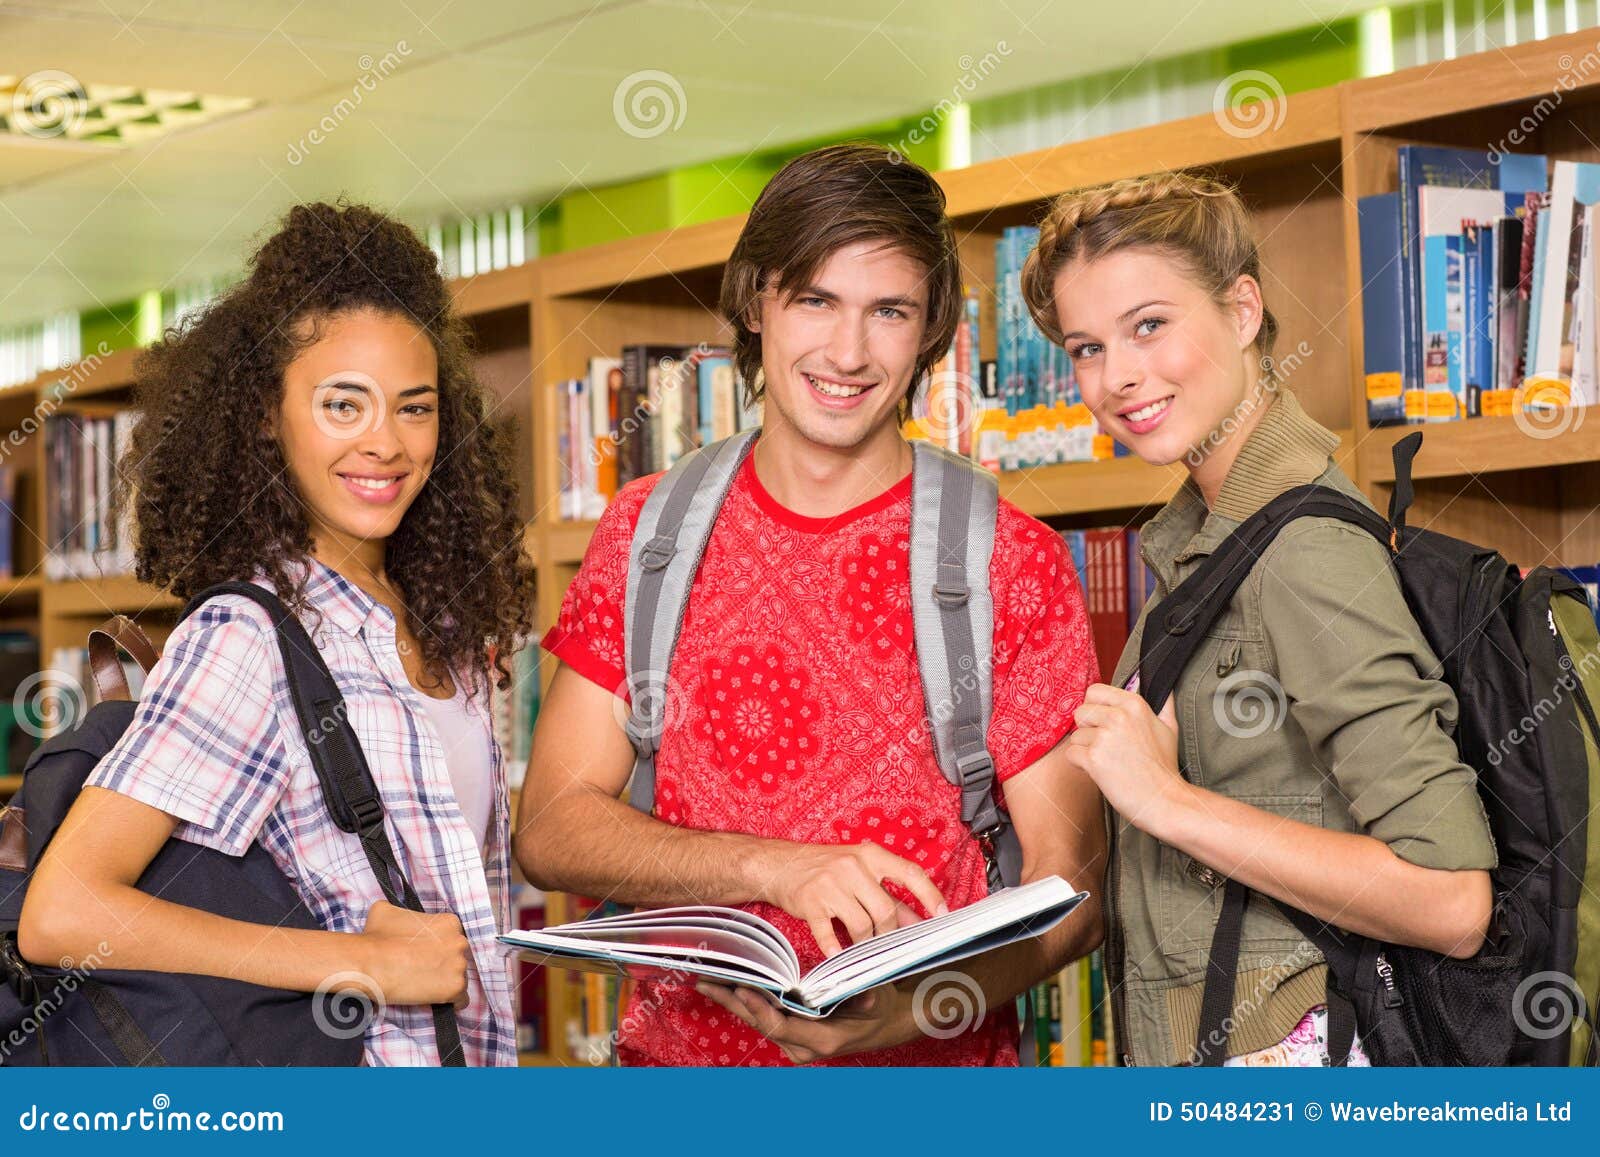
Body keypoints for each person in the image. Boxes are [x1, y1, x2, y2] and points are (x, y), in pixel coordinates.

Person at [517, 143, 1105, 1066]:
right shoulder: (647, 534)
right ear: (757, 302)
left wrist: (917, 1012)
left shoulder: (1010, 560)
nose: (847, 352)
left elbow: (1074, 888)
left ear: (929, 330)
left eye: (889, 312)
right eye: (816, 300)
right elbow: (550, 826)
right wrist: (771, 866)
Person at [18, 201, 537, 1066]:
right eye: (343, 404)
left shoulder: (445, 631)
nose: (385, 442)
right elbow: (63, 911)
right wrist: (359, 962)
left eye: (415, 408)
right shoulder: (248, 637)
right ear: (267, 413)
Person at [1019, 171, 1497, 1066]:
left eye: (1149, 325)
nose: (1116, 377)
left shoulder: (1302, 549)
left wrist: (1166, 800)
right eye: (1085, 347)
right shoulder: (1207, 537)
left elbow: (1453, 898)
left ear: (1243, 311)